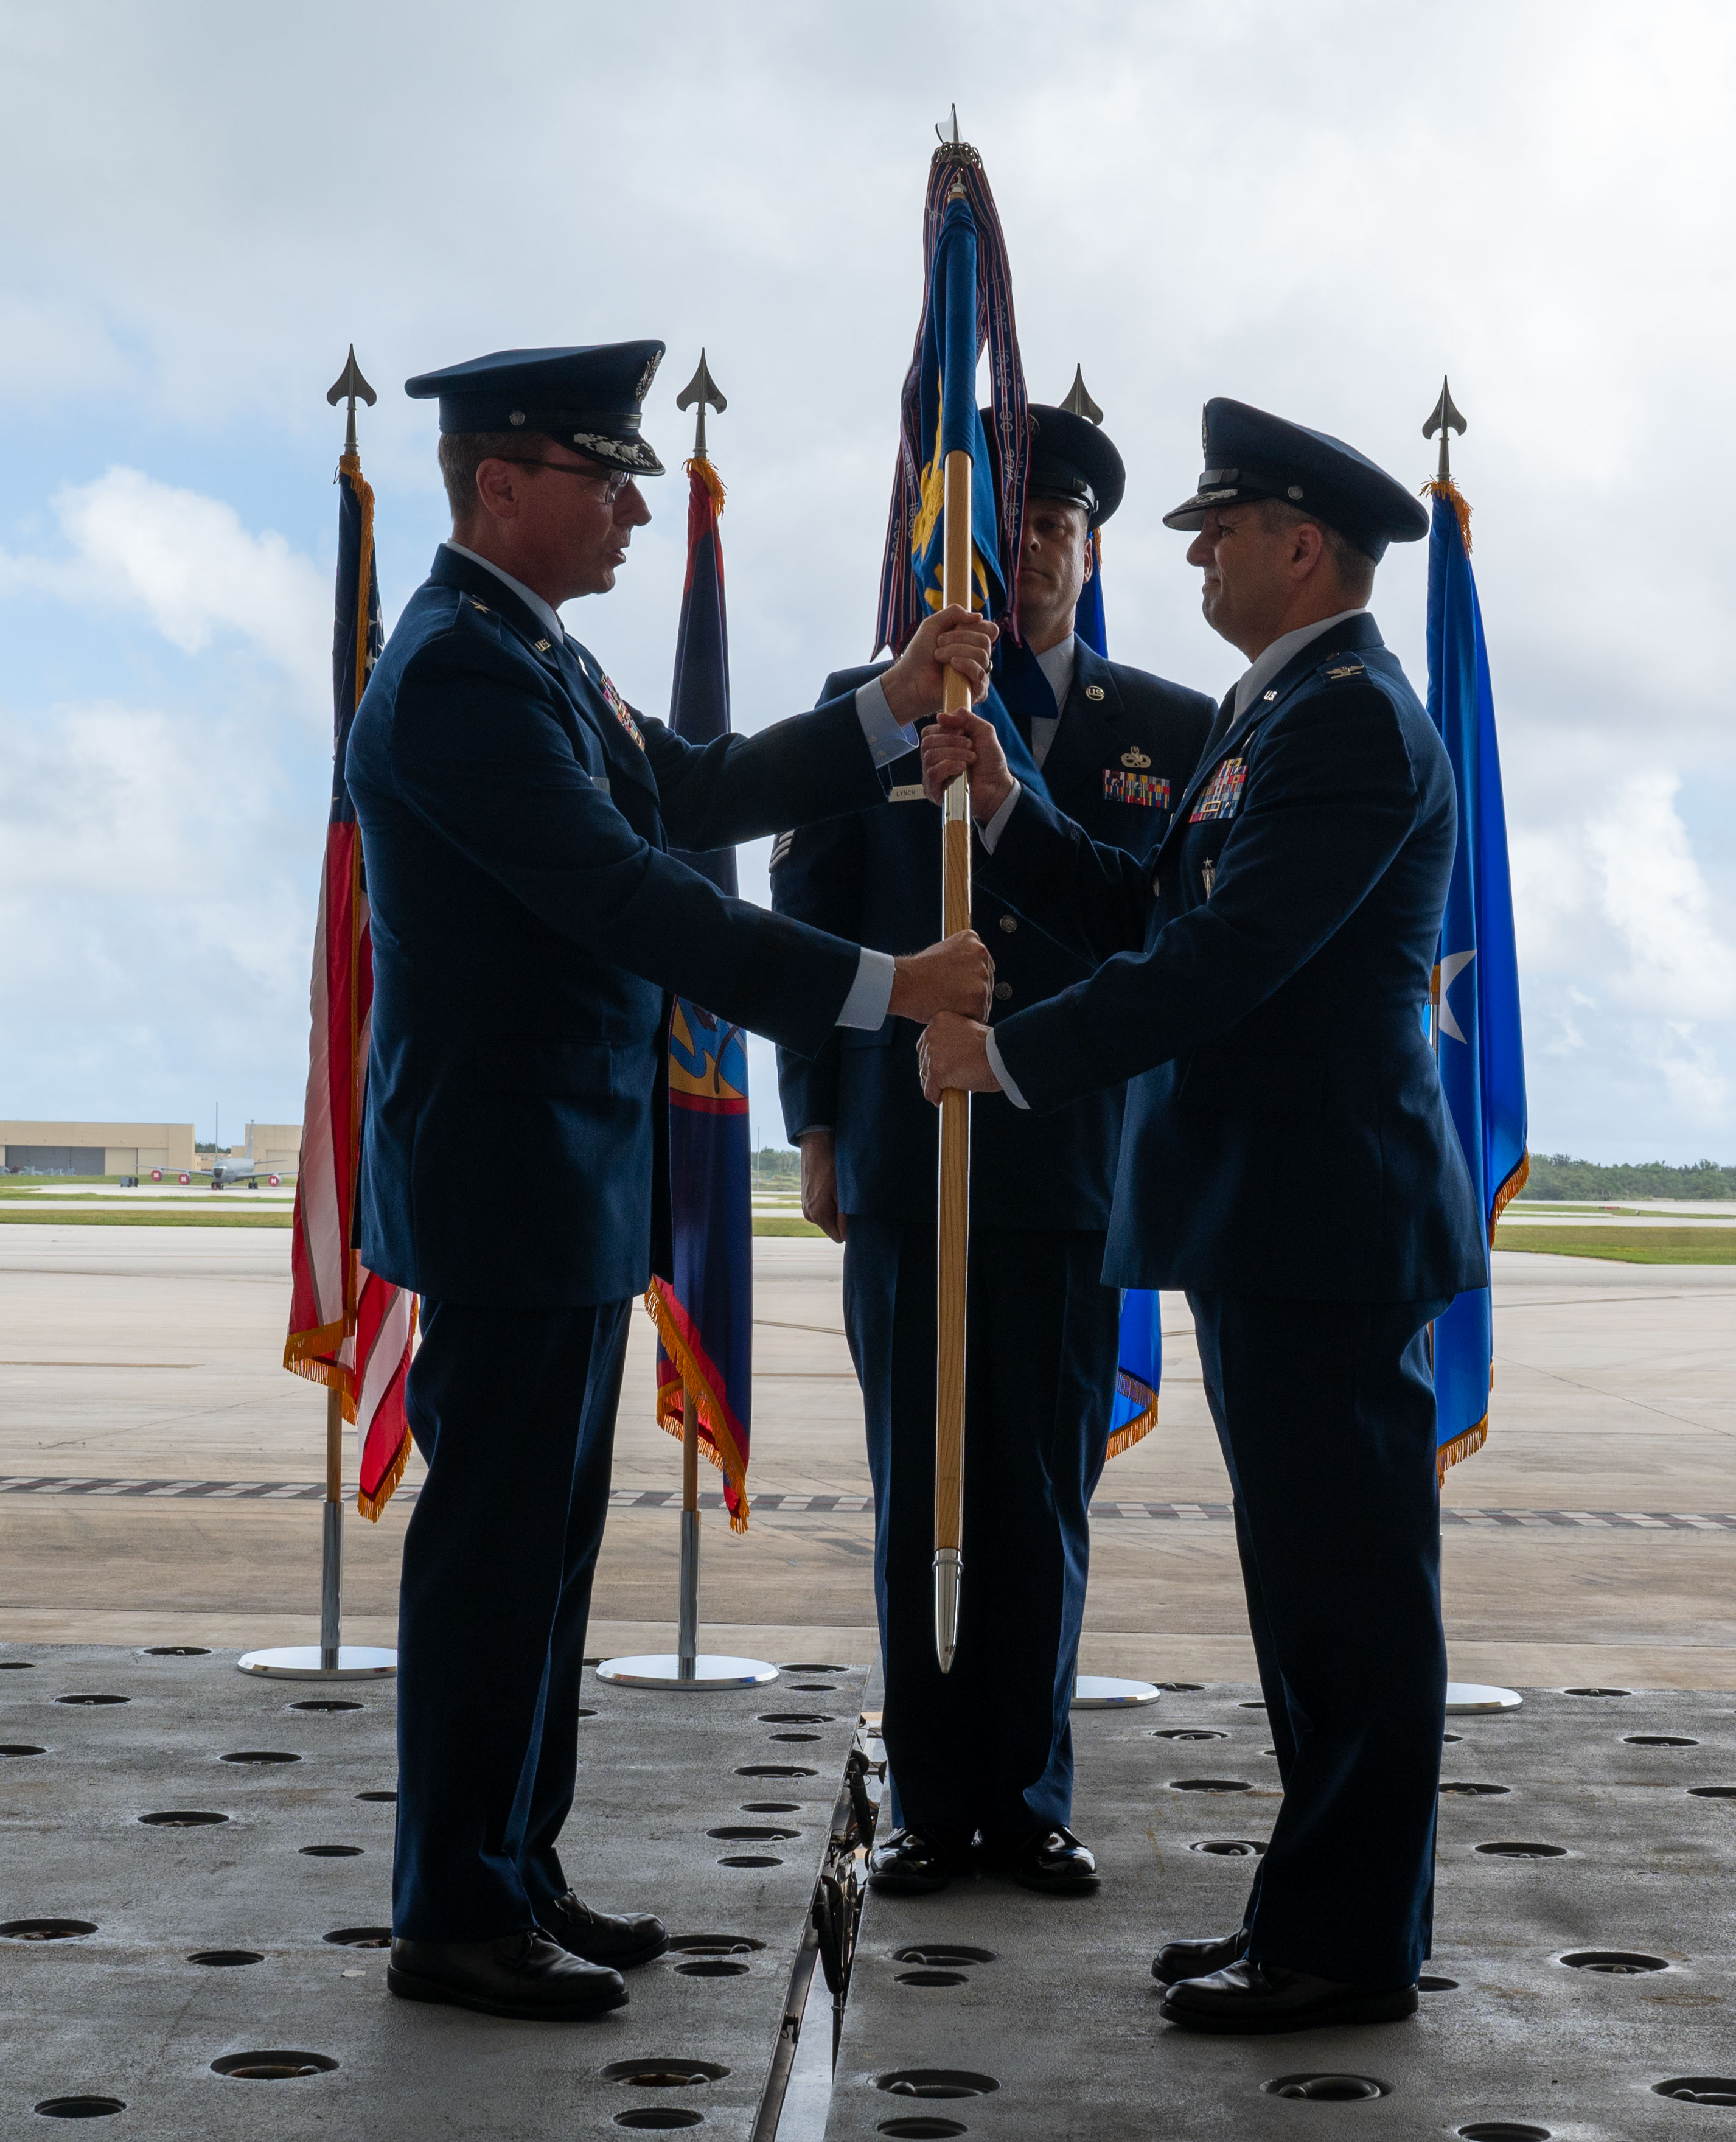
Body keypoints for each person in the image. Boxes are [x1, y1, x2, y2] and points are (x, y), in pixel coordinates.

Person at [343, 340, 995, 2022]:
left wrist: (886, 701)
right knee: (493, 1559)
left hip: (560, 1180)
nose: (637, 504)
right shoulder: (460, 677)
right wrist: (884, 984)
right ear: (502, 484)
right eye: (601, 472)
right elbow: (636, 898)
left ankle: (510, 1865)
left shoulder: (532, 653)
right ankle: (452, 1914)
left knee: (544, 1559)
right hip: (507, 1184)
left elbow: (690, 789)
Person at [916, 397, 1485, 2034]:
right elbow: (1151, 901)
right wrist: (1012, 802)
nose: (1192, 555)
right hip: (1269, 1217)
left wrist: (1006, 1054)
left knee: (1352, 1607)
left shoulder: (1351, 722)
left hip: (1325, 1219)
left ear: (1300, 546)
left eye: (1217, 531)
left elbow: (1224, 965)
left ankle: (1345, 1945)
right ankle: (1309, 1912)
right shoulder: (1272, 717)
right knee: (1307, 1604)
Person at [769, 397, 1215, 1900]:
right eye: (998, 527)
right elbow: (810, 919)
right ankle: (929, 1798)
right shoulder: (873, 703)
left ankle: (1026, 1795)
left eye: (1050, 528)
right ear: (937, 547)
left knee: (1038, 1494)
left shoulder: (1162, 727)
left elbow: (1172, 940)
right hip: (909, 1148)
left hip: (1073, 1161)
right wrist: (819, 1125)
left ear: (1090, 552)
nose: (1023, 553)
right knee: (922, 1488)